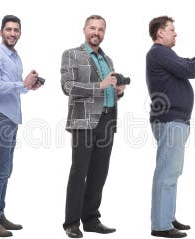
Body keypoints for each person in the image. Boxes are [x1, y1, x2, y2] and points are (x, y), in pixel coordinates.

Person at [145, 15, 195, 238]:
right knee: (167, 172)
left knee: (173, 171)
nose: (175, 33)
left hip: (175, 121)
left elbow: (187, 65)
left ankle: (167, 216)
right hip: (169, 120)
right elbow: (190, 69)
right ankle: (160, 225)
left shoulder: (166, 55)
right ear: (161, 32)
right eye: (171, 29)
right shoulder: (158, 52)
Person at [60, 15, 125, 238]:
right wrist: (101, 85)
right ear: (84, 30)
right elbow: (68, 86)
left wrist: (118, 91)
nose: (96, 32)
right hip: (83, 122)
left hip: (107, 121)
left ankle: (91, 219)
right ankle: (71, 223)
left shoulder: (108, 59)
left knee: (99, 173)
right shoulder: (72, 55)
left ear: (104, 33)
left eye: (100, 29)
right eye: (92, 28)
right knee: (79, 172)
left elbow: (109, 90)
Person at [0, 14, 42, 238]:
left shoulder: (16, 57)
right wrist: (21, 84)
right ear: (1, 32)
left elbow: (16, 88)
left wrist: (29, 87)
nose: (12, 33)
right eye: (8, 30)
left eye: (16, 30)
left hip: (11, 118)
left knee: (6, 170)